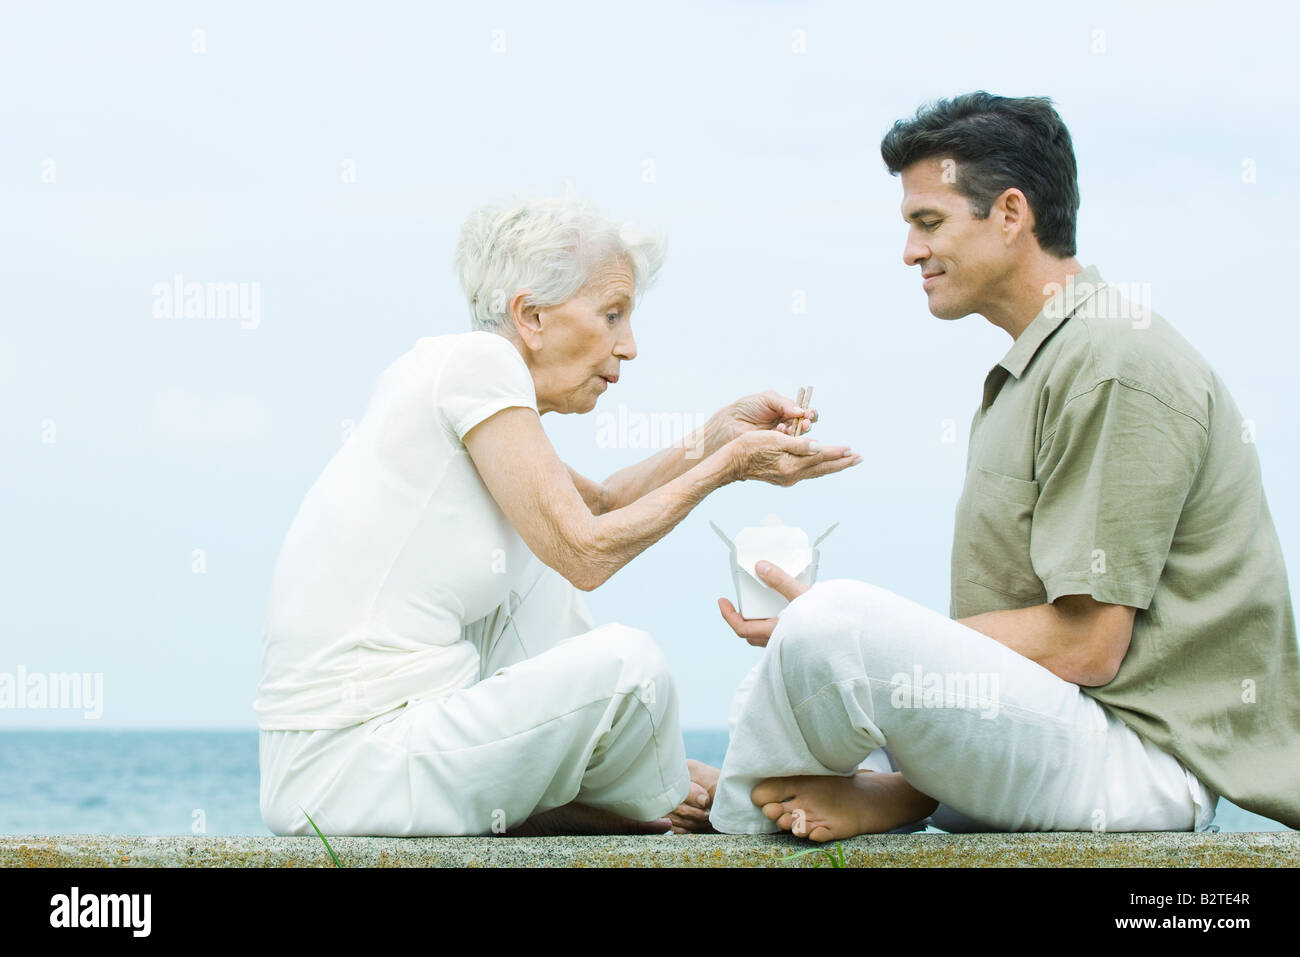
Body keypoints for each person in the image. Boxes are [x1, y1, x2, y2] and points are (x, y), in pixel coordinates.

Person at [706, 92, 1300, 839]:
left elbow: (1087, 645)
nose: (910, 252)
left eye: (928, 222)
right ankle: (893, 793)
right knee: (786, 657)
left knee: (830, 623)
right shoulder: (1039, 366)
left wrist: (865, 639)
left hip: (1143, 763)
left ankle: (729, 835)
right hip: (1059, 733)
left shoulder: (1112, 361)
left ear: (1012, 214)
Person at [254, 194, 862, 837]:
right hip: (350, 769)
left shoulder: (450, 376)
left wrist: (715, 437)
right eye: (611, 314)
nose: (628, 347)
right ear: (531, 315)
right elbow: (588, 551)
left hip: (379, 756)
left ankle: (644, 787)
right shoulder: (478, 362)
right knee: (630, 664)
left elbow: (595, 505)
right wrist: (731, 465)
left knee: (542, 568)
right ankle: (689, 796)